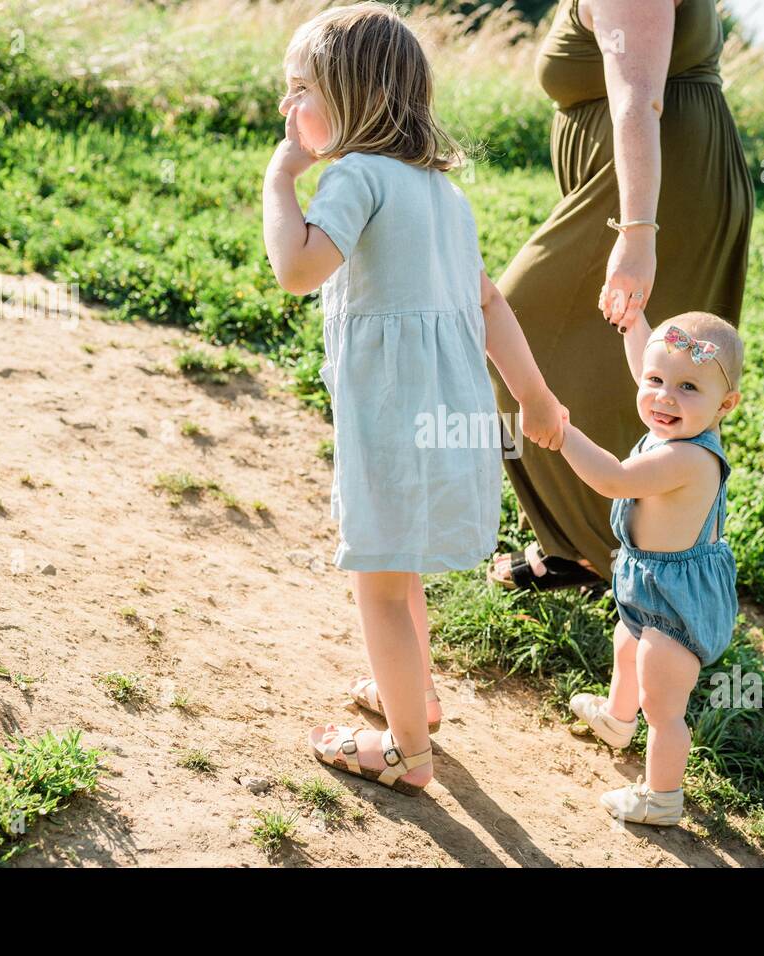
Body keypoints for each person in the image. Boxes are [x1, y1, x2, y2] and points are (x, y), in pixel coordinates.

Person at [261, 2, 566, 795]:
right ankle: (417, 698)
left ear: (350, 95)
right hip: (451, 411)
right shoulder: (442, 194)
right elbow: (489, 303)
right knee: (403, 571)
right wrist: (533, 396)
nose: (286, 108)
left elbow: (296, 269)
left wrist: (280, 177)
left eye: (300, 89)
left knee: (379, 584)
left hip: (395, 417)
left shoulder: (355, 177)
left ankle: (404, 753)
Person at [488, 0, 753, 593]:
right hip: (643, 185)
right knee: (621, 362)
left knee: (513, 324)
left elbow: (638, 98)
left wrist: (636, 234)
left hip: (655, 199)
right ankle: (604, 546)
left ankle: (600, 548)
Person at [558, 311, 742, 825]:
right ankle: (618, 720)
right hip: (650, 579)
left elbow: (614, 478)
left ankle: (662, 797)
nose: (663, 396)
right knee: (627, 647)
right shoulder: (675, 421)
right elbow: (646, 359)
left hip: (679, 602)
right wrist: (632, 319)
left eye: (687, 387)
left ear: (725, 405)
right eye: (656, 380)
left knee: (663, 704)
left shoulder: (689, 458)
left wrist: (563, 432)